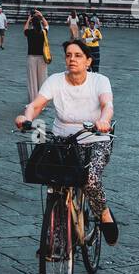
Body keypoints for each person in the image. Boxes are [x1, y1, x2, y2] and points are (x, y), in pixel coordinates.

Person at [16, 39, 118, 244]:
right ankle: (54, 235)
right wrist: (26, 118)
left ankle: (104, 214)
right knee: (51, 178)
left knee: (90, 179)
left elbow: (107, 105)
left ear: (88, 61)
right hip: (62, 139)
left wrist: (104, 120)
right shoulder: (56, 80)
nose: (73, 59)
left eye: (78, 55)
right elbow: (36, 105)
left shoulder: (100, 81)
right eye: (69, 55)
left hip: (95, 137)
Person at [24, 8, 50, 102]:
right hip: (42, 58)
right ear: (39, 24)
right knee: (42, 79)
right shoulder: (43, 33)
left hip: (31, 58)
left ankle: (32, 101)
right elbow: (47, 25)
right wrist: (41, 16)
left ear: (32, 24)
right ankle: (41, 101)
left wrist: (28, 19)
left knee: (32, 81)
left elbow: (25, 29)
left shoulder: (29, 32)